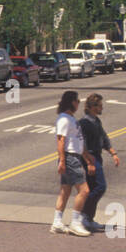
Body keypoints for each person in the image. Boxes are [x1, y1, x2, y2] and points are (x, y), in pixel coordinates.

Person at [78, 93, 119, 233]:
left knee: (93, 186)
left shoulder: (96, 121)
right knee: (100, 187)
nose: (102, 107)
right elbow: (81, 144)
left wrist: (113, 152)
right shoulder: (84, 123)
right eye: (100, 105)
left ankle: (88, 219)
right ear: (91, 107)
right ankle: (82, 216)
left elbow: (103, 137)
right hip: (90, 157)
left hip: (96, 157)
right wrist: (89, 162)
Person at [51, 91, 90, 236]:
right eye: (77, 101)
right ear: (72, 102)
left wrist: (86, 156)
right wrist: (62, 161)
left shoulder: (70, 118)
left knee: (65, 191)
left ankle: (57, 222)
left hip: (74, 157)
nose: (79, 104)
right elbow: (60, 141)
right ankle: (75, 222)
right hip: (70, 158)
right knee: (84, 190)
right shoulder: (64, 119)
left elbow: (77, 140)